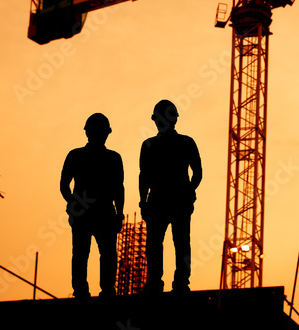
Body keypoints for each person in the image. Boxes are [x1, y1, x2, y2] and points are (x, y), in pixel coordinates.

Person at [139, 99, 202, 294]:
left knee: (171, 242)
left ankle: (164, 282)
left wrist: (190, 190)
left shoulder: (153, 145)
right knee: (174, 242)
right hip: (167, 200)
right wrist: (190, 190)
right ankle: (172, 282)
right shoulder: (183, 143)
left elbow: (197, 172)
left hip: (168, 200)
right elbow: (144, 175)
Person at [60, 113, 125, 299]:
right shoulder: (108, 158)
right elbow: (64, 186)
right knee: (88, 254)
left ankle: (96, 290)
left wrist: (119, 213)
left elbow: (118, 188)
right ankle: (90, 290)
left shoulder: (82, 156)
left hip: (98, 213)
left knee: (98, 254)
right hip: (93, 214)